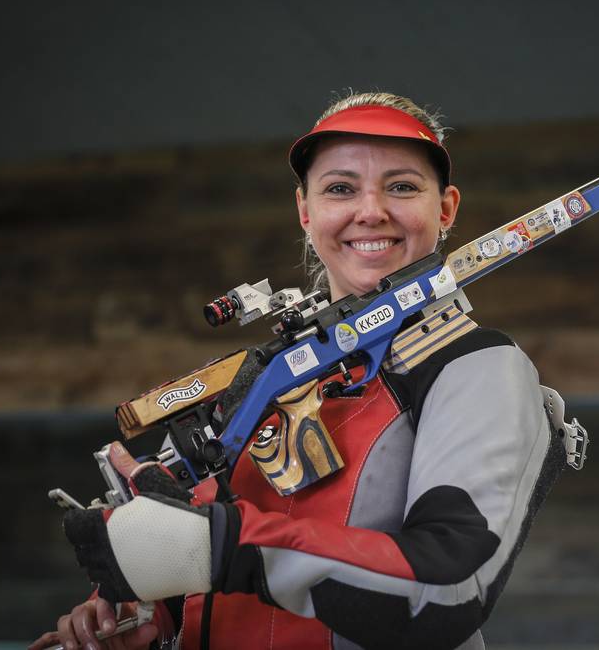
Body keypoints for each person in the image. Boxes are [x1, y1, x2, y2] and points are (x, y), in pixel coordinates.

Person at [29, 92, 571, 650]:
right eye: (340, 188)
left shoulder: (474, 365)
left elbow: (451, 585)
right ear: (305, 211)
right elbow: (209, 568)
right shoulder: (266, 377)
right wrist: (145, 617)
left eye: (402, 186)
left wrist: (220, 547)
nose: (370, 211)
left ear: (447, 208)